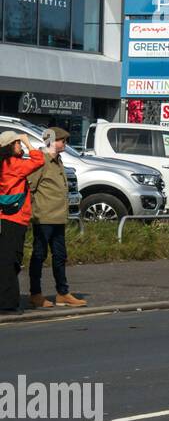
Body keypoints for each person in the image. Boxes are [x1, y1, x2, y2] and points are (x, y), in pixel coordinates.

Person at [27, 127, 86, 308]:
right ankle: (35, 293)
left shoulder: (57, 160)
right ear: (51, 141)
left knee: (60, 256)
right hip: (44, 217)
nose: (65, 143)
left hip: (59, 217)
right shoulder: (41, 161)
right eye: (62, 140)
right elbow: (31, 186)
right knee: (39, 254)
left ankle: (63, 293)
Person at [0, 131, 46, 313]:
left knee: (6, 258)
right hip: (14, 218)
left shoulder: (4, 164)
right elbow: (38, 160)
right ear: (10, 146)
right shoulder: (14, 165)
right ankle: (8, 303)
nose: (20, 145)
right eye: (17, 143)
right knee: (11, 260)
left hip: (5, 217)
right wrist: (29, 142)